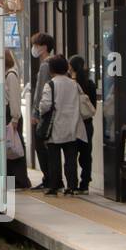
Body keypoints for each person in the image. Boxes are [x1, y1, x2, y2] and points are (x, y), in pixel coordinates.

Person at [37, 54, 86, 195]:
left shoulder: (50, 84)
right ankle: (71, 186)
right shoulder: (74, 83)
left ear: (51, 69)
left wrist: (40, 110)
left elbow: (45, 105)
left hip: (55, 126)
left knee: (54, 159)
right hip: (72, 125)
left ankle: (55, 186)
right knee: (71, 159)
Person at [28, 31, 57, 189]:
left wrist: (35, 112)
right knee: (50, 147)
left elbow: (40, 90)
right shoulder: (53, 62)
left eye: (36, 45)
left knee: (41, 146)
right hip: (53, 111)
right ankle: (53, 179)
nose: (34, 48)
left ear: (44, 47)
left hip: (44, 112)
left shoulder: (46, 65)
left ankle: (49, 179)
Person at [69, 55, 98, 194]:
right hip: (87, 124)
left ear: (71, 67)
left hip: (72, 124)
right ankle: (85, 184)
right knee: (86, 154)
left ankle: (72, 184)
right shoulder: (90, 84)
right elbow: (93, 107)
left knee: (71, 155)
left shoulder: (69, 84)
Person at [4, 49, 30, 190]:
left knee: (15, 148)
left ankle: (20, 180)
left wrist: (15, 118)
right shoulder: (6, 75)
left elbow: (14, 98)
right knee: (10, 148)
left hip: (11, 116)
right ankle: (13, 180)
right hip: (9, 115)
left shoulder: (11, 75)